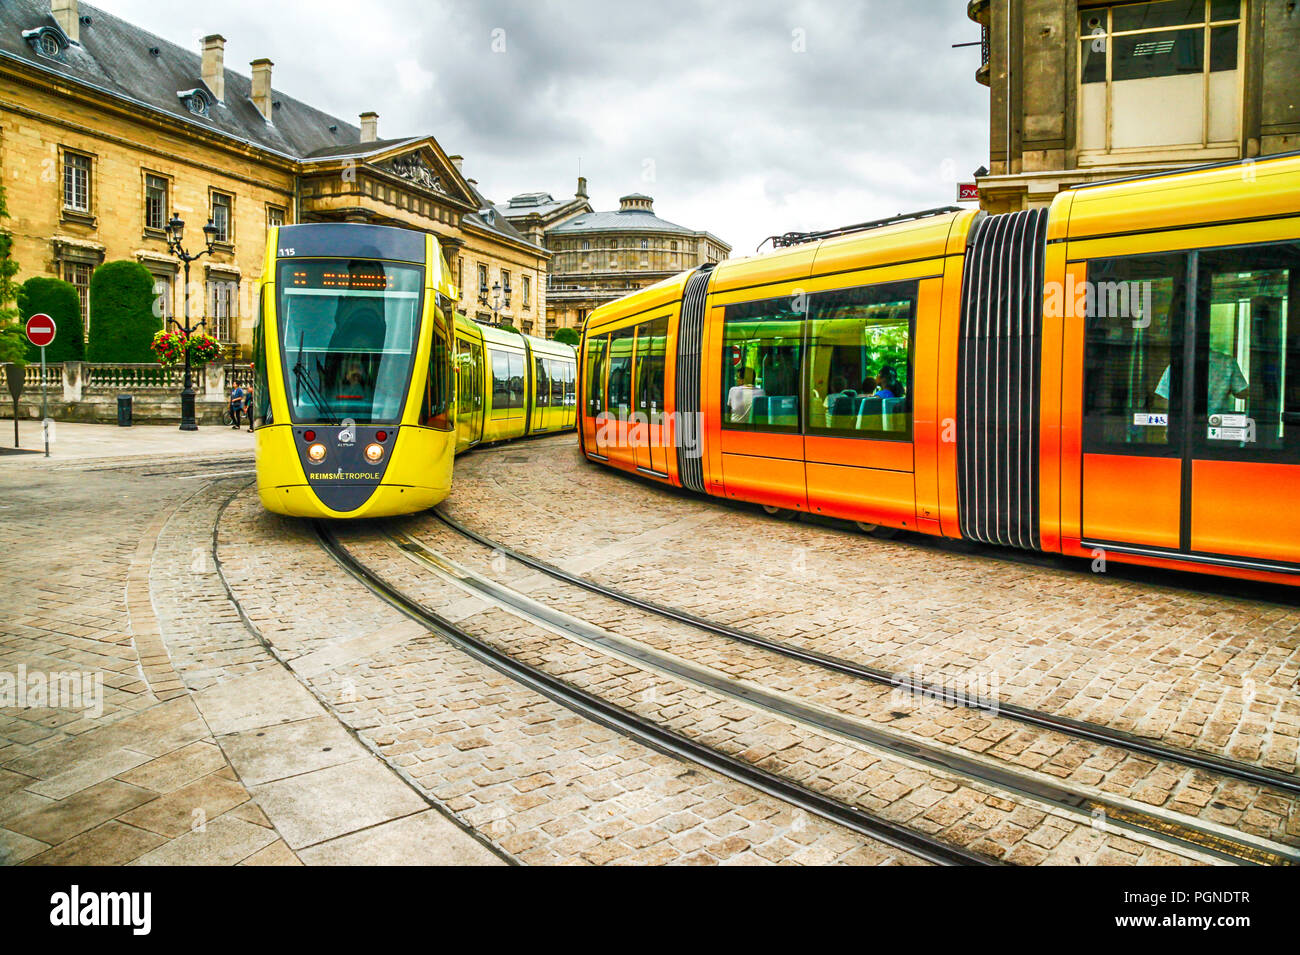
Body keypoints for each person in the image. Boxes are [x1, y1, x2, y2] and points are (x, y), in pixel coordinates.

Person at [1155, 351, 1248, 415]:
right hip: (1217, 423)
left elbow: (1164, 397)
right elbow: (1241, 393)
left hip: (1184, 421)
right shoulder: (1227, 362)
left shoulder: (1178, 363)